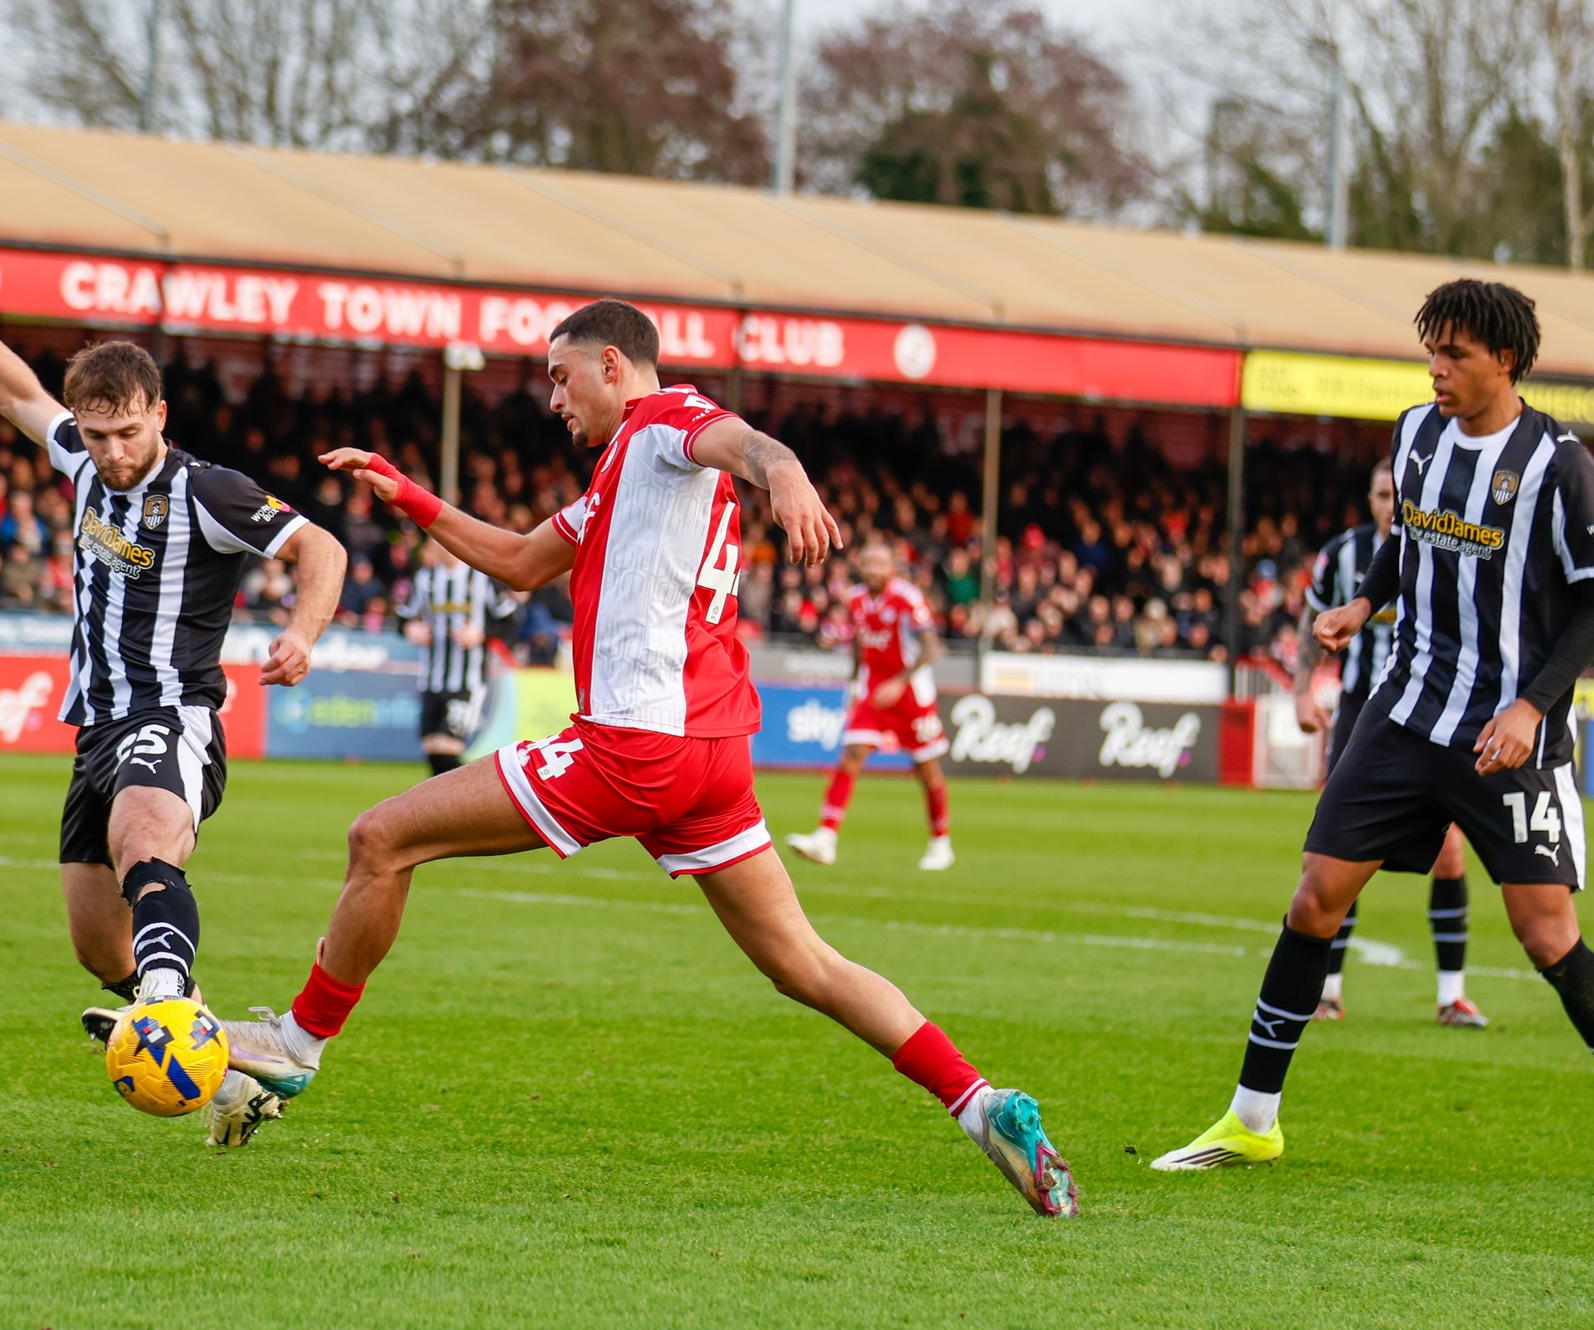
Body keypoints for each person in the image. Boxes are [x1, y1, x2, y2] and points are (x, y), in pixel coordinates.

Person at [219, 300, 1078, 1215]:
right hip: (712, 760)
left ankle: (299, 1044)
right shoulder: (620, 476)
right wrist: (408, 494)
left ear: (614, 366)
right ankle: (983, 1105)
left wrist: (786, 473)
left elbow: (742, 442)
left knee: (381, 837)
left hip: (635, 746)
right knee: (804, 963)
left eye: (562, 377)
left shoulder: (665, 422)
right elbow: (518, 560)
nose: (554, 399)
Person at [1155, 279, 1594, 1171]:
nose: (1435, 368)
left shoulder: (1557, 464)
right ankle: (1252, 1119)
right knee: (1315, 897)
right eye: (1431, 351)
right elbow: (1406, 540)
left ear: (1506, 360)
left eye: (1454, 353)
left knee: (1547, 934)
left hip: (1506, 735)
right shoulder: (1415, 432)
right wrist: (1364, 602)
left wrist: (1532, 705)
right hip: (1406, 712)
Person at [0, 264, 347, 1148]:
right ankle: (229, 1073)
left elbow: (321, 546)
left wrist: (303, 630)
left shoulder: (207, 491)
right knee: (99, 946)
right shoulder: (82, 461)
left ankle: (165, 1003)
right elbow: (13, 389)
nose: (114, 452)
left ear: (159, 414)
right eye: (96, 435)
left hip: (172, 714)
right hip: (94, 729)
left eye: (129, 432)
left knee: (144, 840)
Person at [1295, 460, 1484, 1027]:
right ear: (1370, 498)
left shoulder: (1446, 551)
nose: (1388, 504)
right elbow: (1312, 617)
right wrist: (1303, 691)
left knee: (1450, 853)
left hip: (1430, 714)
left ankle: (1452, 997)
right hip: (1362, 713)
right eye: (1381, 494)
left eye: (1396, 495)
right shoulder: (1343, 555)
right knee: (1339, 851)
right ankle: (1327, 991)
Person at [786, 541, 954, 871]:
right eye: (868, 563)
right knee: (851, 756)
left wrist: (899, 683)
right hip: (873, 692)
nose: (873, 569)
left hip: (911, 694)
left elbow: (932, 648)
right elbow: (858, 645)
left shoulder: (908, 598)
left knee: (927, 770)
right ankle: (826, 837)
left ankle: (941, 842)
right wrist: (853, 685)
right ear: (860, 567)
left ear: (892, 567)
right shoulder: (856, 599)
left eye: (880, 563)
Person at [398, 539, 517, 775]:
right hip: (431, 680)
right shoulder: (425, 579)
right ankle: (450, 799)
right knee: (432, 748)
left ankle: (475, 792)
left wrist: (482, 634)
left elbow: (510, 622)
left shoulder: (482, 579)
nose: (442, 545)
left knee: (447, 748)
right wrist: (410, 629)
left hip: (467, 682)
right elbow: (403, 617)